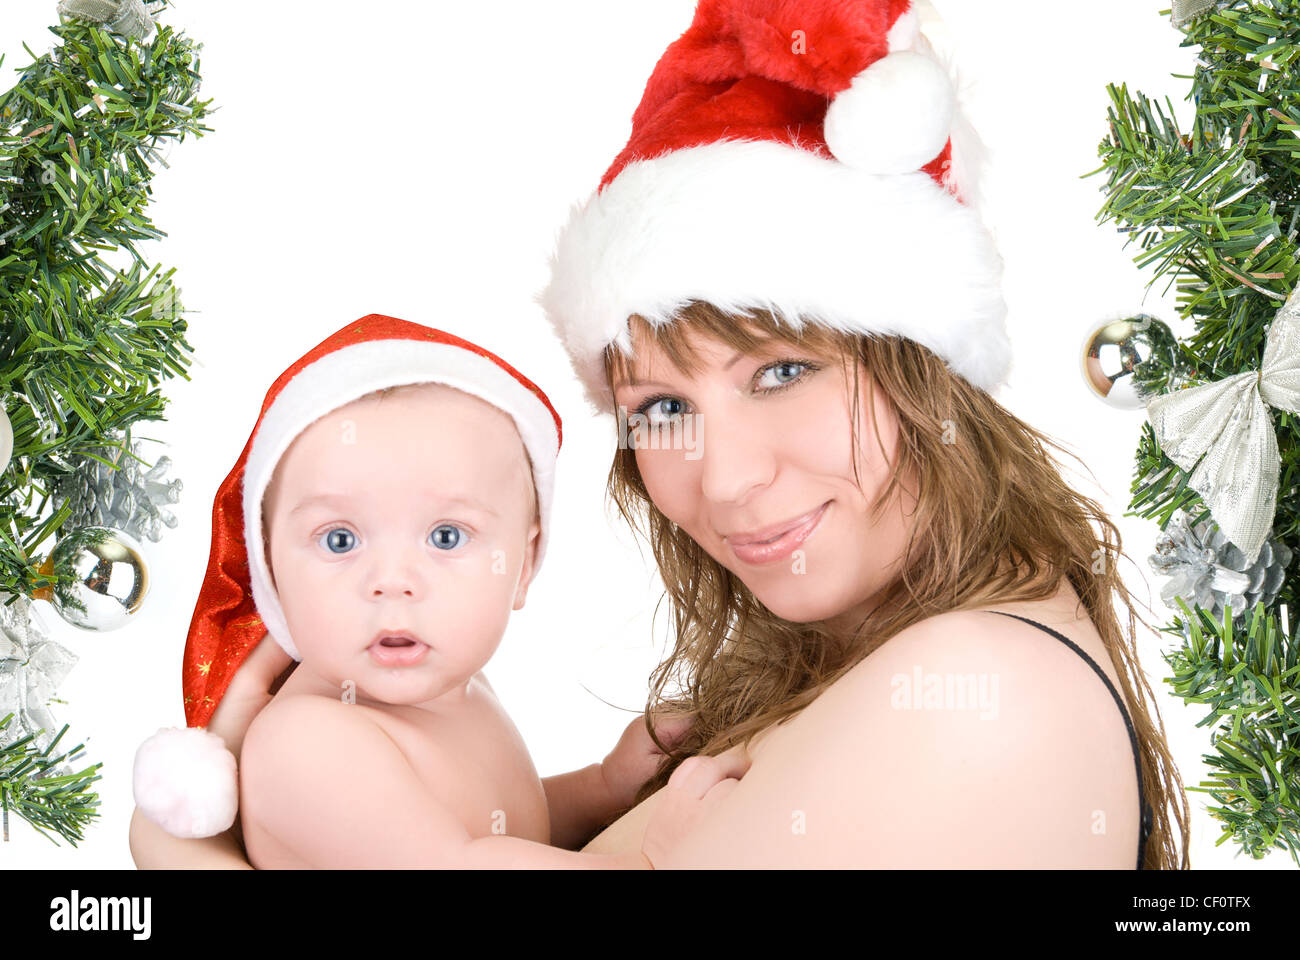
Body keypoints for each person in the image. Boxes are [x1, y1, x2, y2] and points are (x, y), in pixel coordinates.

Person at [131, 0, 1190, 868]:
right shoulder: (897, 662)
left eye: (782, 371)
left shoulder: (976, 696)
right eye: (664, 411)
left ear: (927, 367)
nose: (724, 481)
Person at [130, 316, 740, 868]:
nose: (392, 581)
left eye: (446, 536)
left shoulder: (459, 694)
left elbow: (492, 835)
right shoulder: (307, 744)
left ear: (522, 562)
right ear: (271, 571)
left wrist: (603, 786)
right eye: (339, 540)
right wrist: (653, 865)